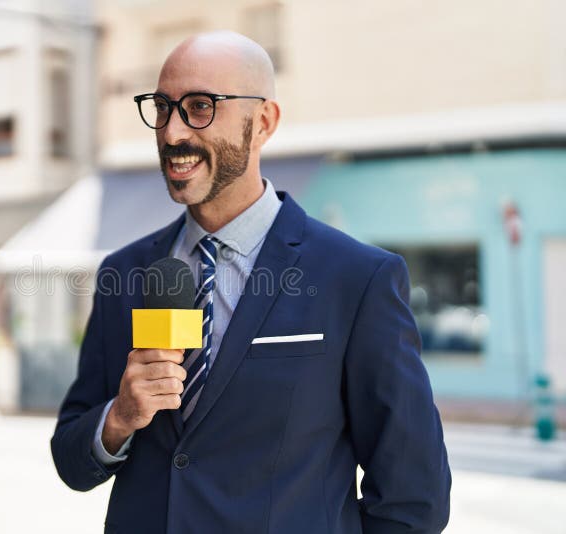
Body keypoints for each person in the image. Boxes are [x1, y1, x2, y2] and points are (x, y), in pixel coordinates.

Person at [51, 31, 451, 534]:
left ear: (262, 123)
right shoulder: (122, 272)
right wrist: (118, 419)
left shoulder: (357, 278)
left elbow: (414, 498)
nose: (173, 131)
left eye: (199, 106)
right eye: (162, 107)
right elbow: (70, 457)